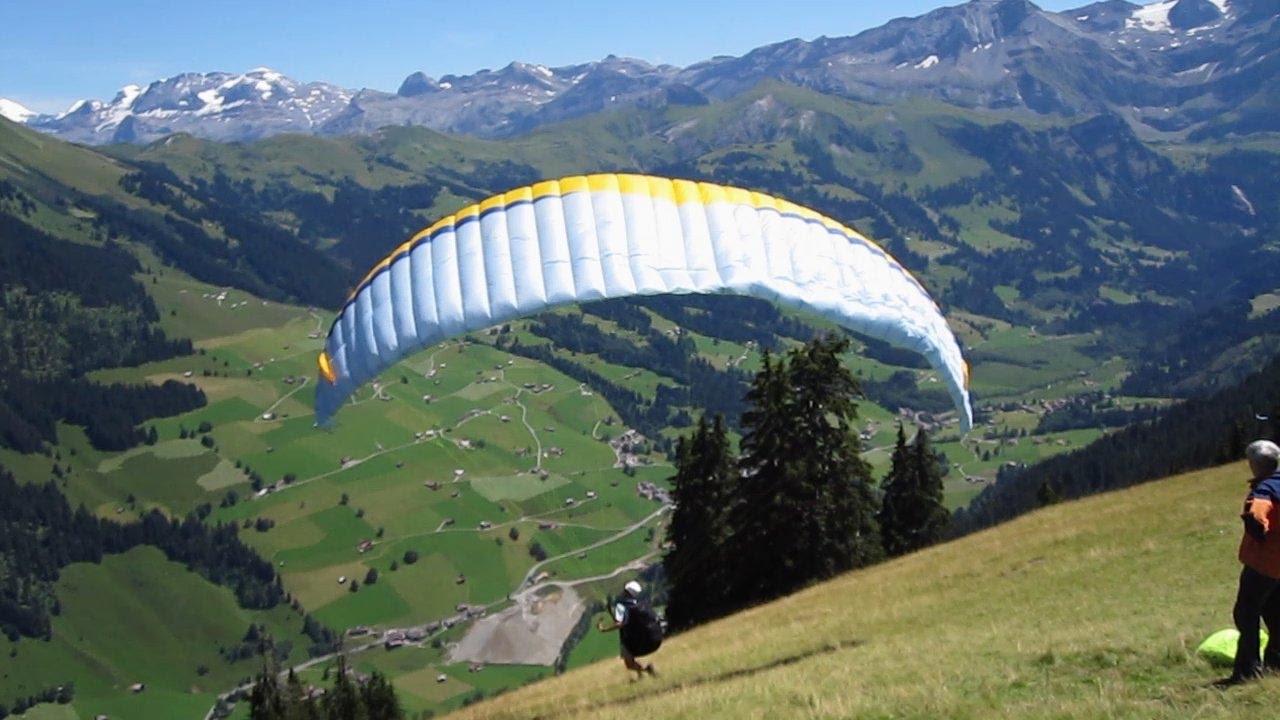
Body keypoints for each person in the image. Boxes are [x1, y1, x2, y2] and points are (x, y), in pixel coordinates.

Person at [1219, 439, 1280, 686]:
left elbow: (1259, 510)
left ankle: (1248, 670)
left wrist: (1257, 525)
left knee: (1246, 612)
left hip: (1264, 564)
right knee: (1275, 612)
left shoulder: (1265, 489)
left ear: (1254, 465)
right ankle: (1275, 664)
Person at [597, 580, 659, 678]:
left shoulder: (621, 606)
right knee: (631, 660)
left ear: (626, 592)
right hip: (640, 637)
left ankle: (646, 670)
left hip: (629, 639)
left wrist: (604, 629)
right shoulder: (638, 604)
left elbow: (619, 623)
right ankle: (640, 676)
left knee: (629, 664)